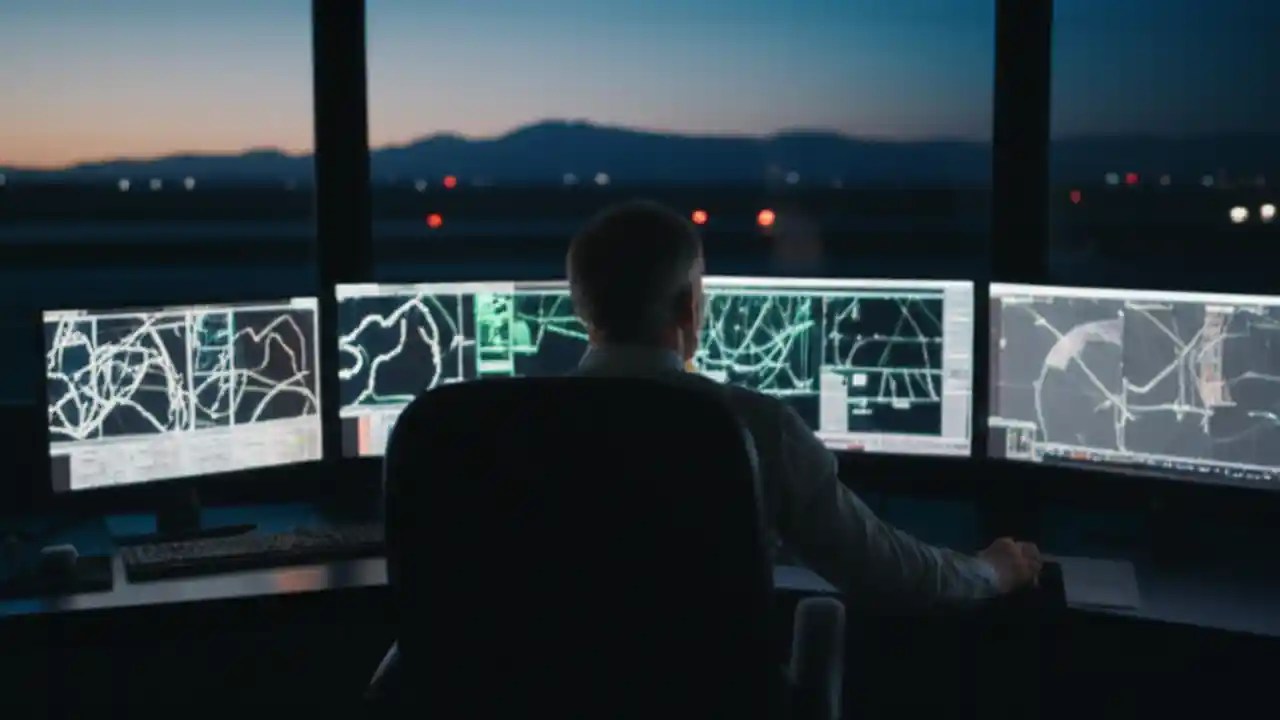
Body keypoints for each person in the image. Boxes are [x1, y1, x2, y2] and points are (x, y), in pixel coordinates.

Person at [567, 199, 1042, 607]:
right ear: (690, 307)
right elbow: (887, 571)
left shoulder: (514, 426)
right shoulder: (755, 427)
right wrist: (990, 571)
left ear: (582, 307)